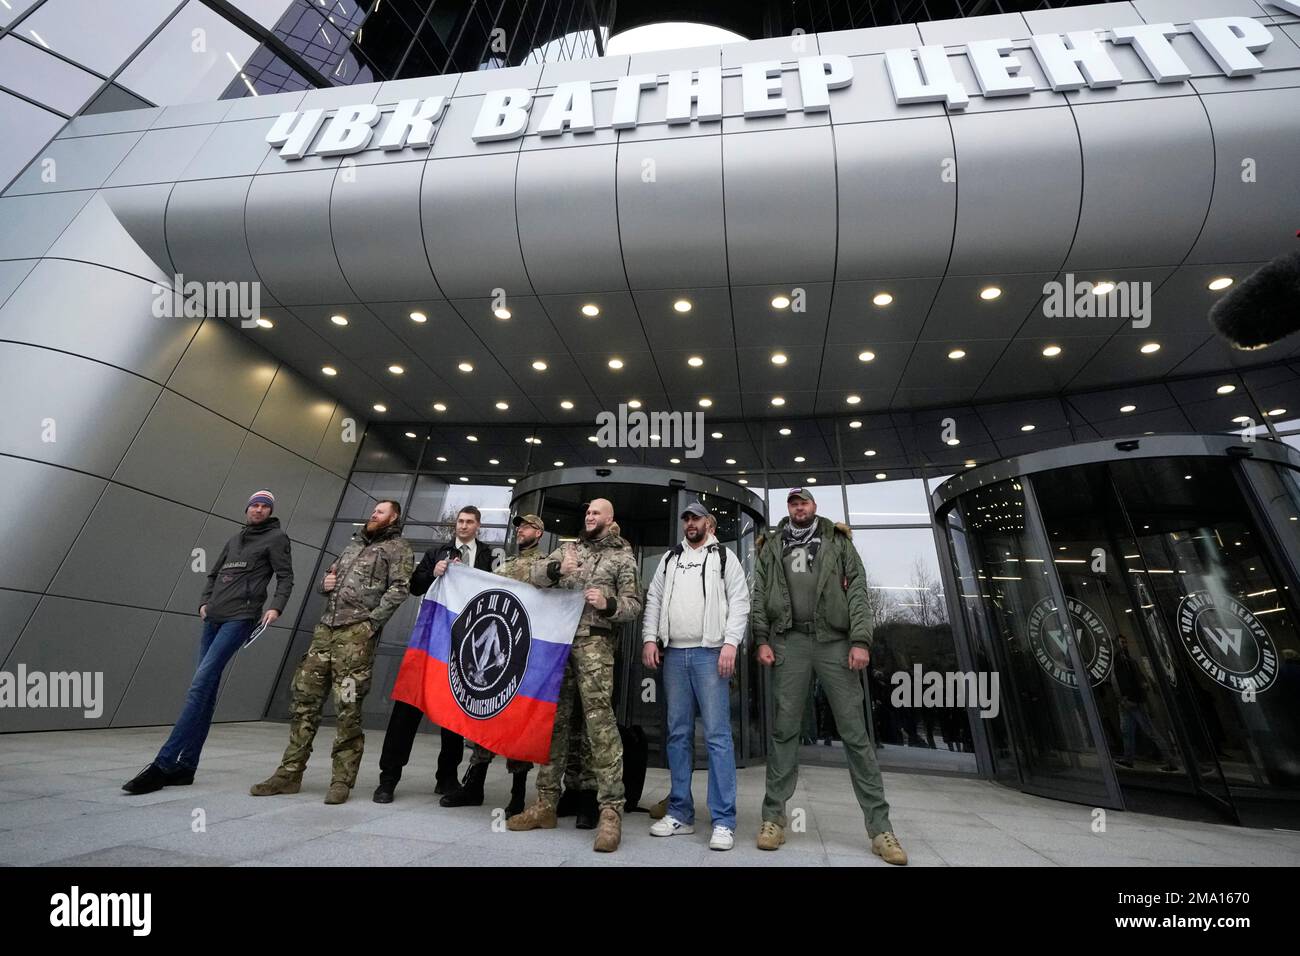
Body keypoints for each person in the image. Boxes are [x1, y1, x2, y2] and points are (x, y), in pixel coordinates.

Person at [751, 487, 908, 865]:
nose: (798, 507)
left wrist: (861, 640)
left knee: (855, 732)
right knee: (785, 730)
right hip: (789, 641)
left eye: (803, 501)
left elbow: (857, 591)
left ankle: (881, 829)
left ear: (814, 506)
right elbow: (759, 594)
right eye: (792, 502)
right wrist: (760, 637)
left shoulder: (836, 540)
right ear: (787, 509)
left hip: (834, 642)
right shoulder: (772, 545)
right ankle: (773, 818)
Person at [123, 490, 293, 794]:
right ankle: (186, 766)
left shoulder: (277, 538)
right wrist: (203, 602)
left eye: (264, 506)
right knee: (206, 690)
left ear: (270, 512)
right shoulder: (234, 539)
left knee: (199, 685)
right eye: (254, 504)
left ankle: (161, 765)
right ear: (247, 508)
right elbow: (213, 574)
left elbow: (285, 576)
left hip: (241, 617)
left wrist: (275, 606)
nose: (258, 509)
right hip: (214, 616)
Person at [249, 499, 413, 805]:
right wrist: (326, 584)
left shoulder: (398, 548)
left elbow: (400, 588)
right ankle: (289, 774)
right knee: (304, 702)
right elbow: (331, 577)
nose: (373, 514)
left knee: (347, 708)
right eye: (373, 510)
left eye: (380, 511)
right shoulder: (354, 544)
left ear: (393, 518)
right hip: (325, 631)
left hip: (356, 635)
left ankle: (341, 780)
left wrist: (371, 625)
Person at [507, 497, 642, 852]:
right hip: (558, 645)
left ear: (610, 518)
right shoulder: (569, 549)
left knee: (600, 726)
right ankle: (545, 804)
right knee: (555, 723)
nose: (589, 516)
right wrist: (555, 570)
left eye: (596, 512)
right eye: (587, 512)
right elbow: (530, 574)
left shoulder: (622, 557)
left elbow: (634, 605)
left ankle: (611, 812)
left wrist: (608, 604)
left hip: (595, 647)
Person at [641, 501, 750, 850]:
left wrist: (731, 643)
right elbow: (654, 599)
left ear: (709, 523)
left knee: (717, 736)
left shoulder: (724, 558)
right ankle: (680, 814)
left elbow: (740, 601)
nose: (689, 523)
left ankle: (723, 820)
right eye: (686, 518)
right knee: (677, 734)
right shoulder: (670, 559)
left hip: (710, 654)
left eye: (695, 517)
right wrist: (649, 638)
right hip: (673, 654)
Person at [373, 505, 495, 803]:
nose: (463, 526)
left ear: (478, 526)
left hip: (464, 643)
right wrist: (434, 573)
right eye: (460, 521)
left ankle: (447, 777)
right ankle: (388, 779)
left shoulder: (488, 556)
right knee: (407, 708)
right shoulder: (436, 552)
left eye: (469, 522)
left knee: (453, 712)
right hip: (429, 640)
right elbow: (414, 586)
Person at [438, 513, 547, 815]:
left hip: (523, 655)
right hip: (499, 654)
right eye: (519, 526)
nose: (520, 530)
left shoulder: (545, 564)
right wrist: (461, 576)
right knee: (485, 719)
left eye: (526, 527)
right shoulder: (506, 565)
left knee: (517, 726)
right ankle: (473, 785)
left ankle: (517, 794)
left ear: (538, 533)